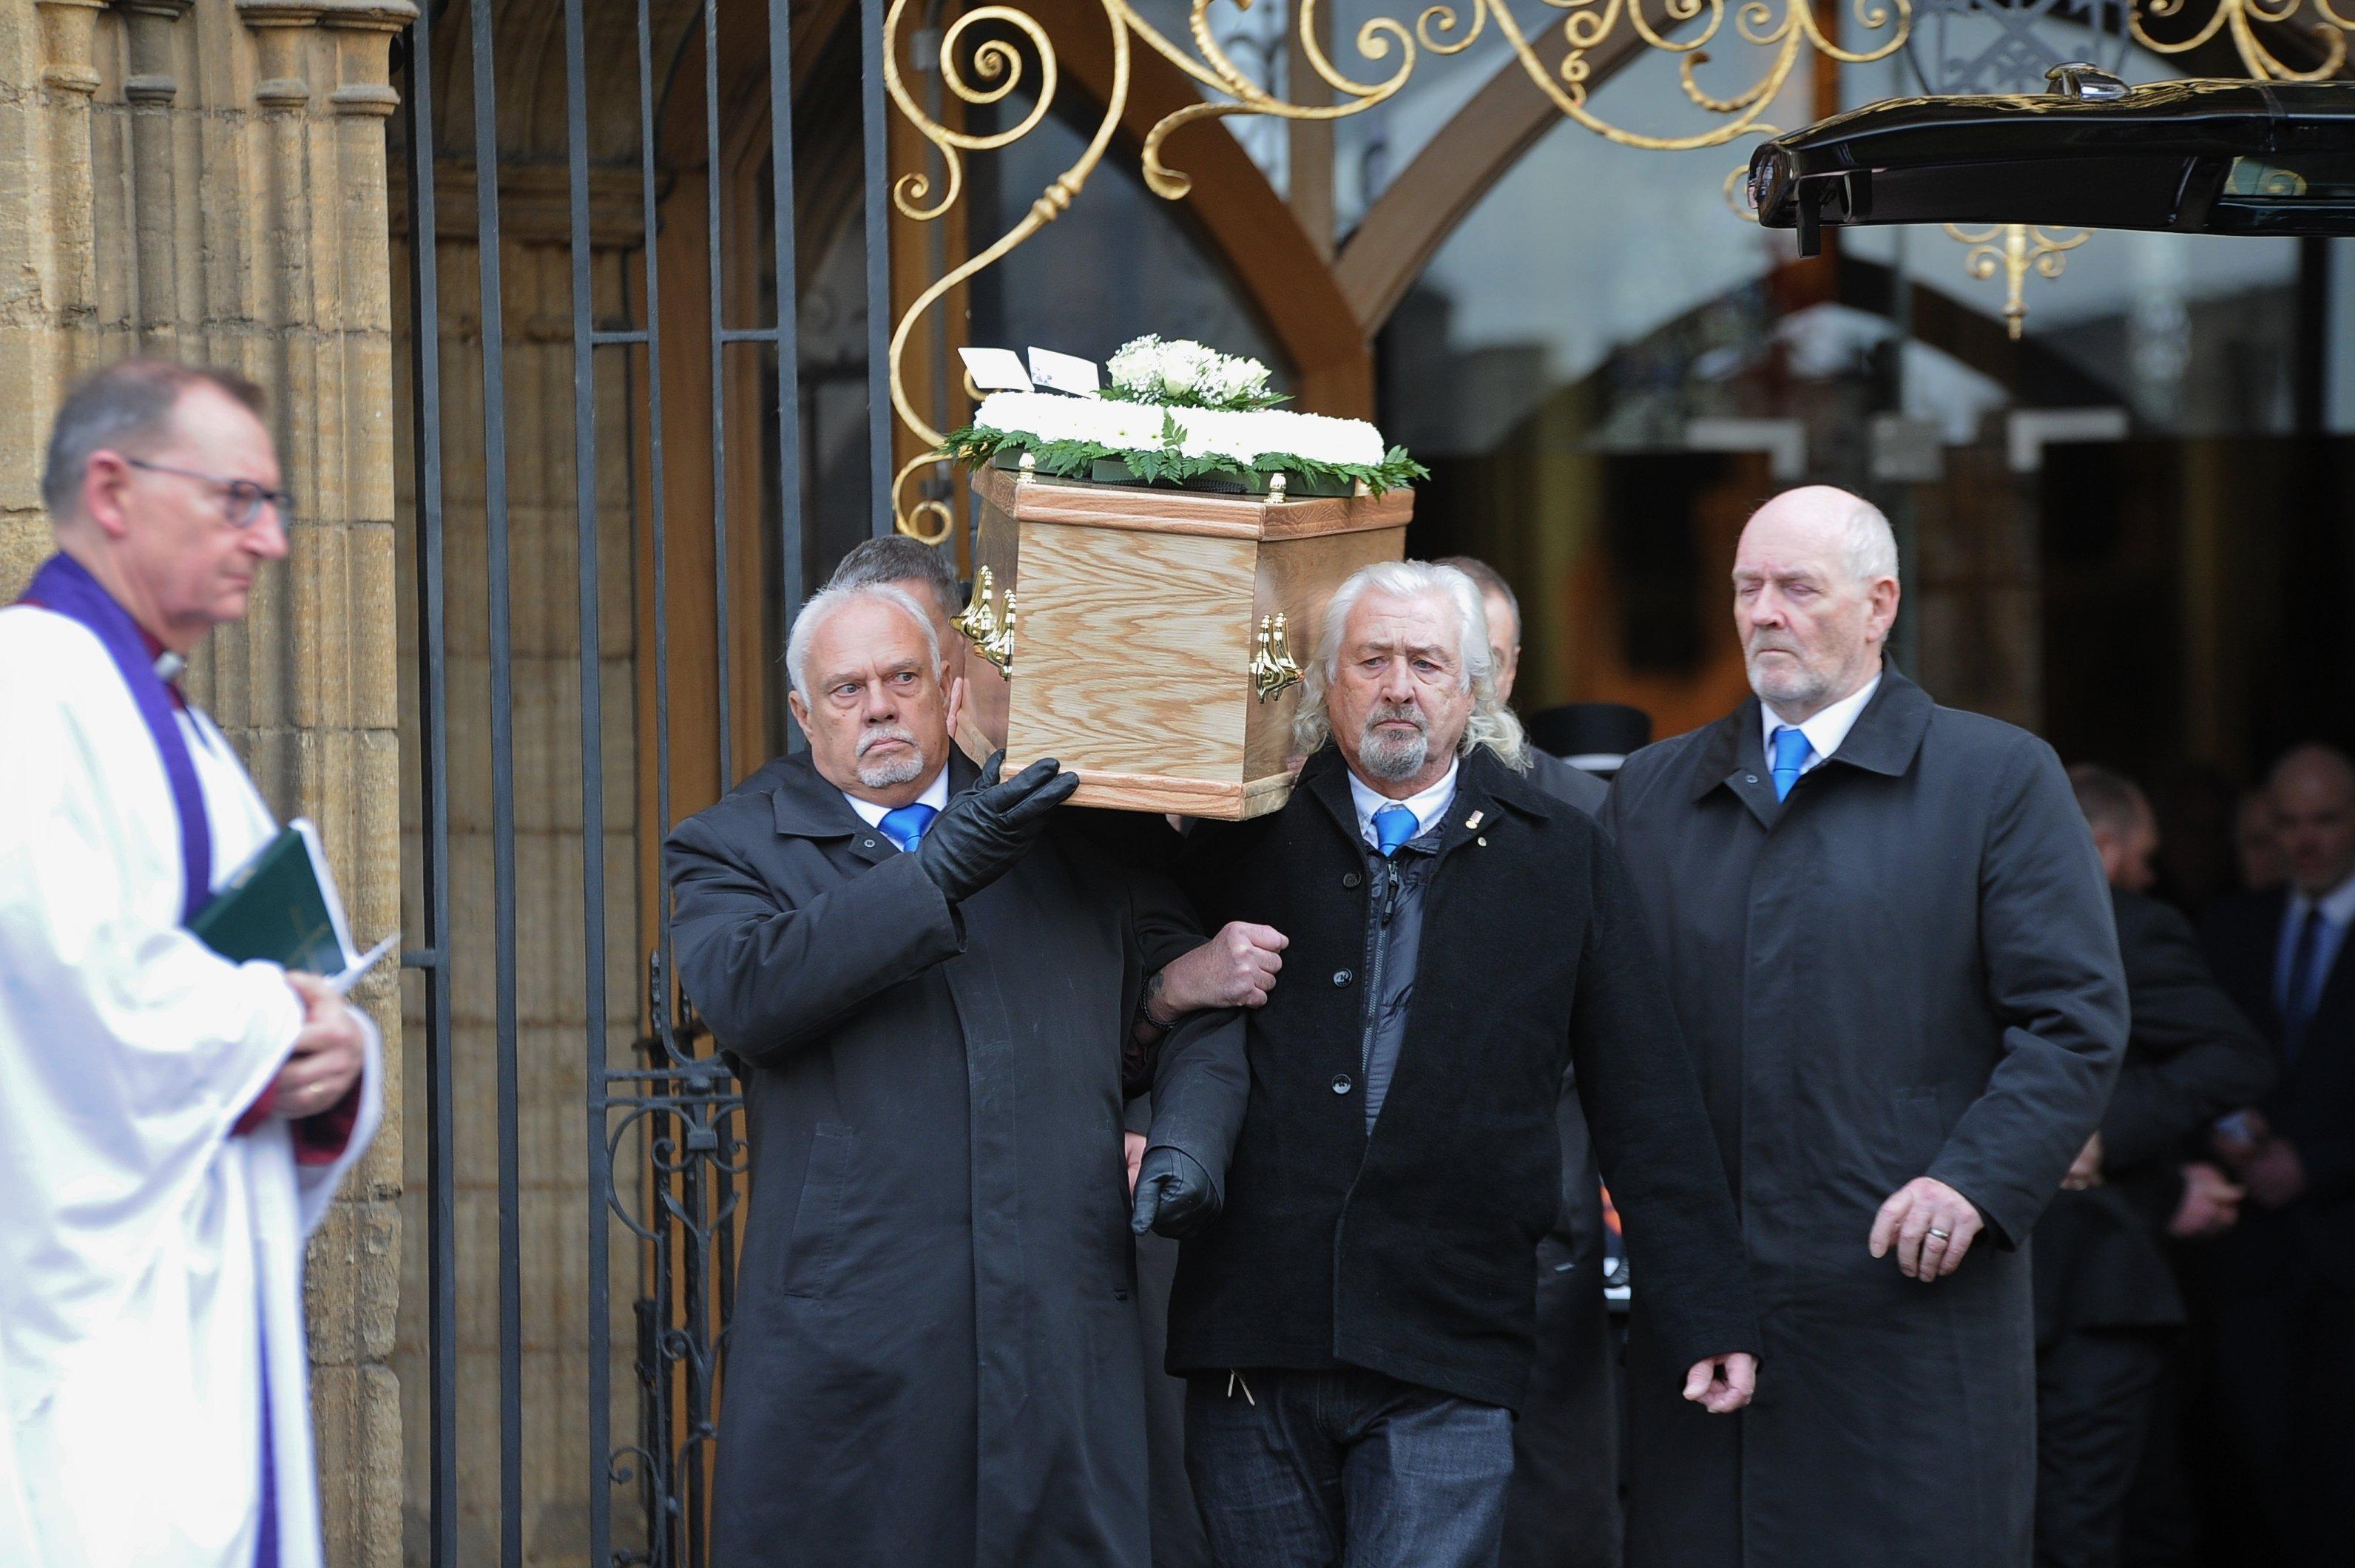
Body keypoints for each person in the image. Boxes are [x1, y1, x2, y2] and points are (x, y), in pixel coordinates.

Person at [1163, 559, 1760, 1568]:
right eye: (1373, 659)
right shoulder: (1235, 843)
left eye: (1428, 663)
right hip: (1253, 1340)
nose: (1400, 684)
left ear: (1475, 690)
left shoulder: (1561, 854)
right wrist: (1174, 983)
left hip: (1451, 1336)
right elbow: (1131, 1019)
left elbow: (1646, 1097)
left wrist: (1706, 1310)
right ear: (1326, 682)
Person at [662, 581, 1249, 1566]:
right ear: (804, 713)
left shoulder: (1078, 827)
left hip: (1063, 1336)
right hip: (861, 1346)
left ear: (951, 688)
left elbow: (1197, 993)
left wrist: (1189, 1138)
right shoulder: (732, 845)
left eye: (902, 678)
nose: (879, 707)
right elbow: (751, 995)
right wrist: (935, 872)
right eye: (846, 690)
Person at [1599, 486, 2127, 1568]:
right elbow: (1614, 1054)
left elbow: (2074, 1019)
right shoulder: (1652, 795)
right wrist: (1686, 1286)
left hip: (1913, 1327)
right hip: (1710, 1333)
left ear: (1880, 604)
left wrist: (1975, 1180)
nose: (1765, 613)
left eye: (1799, 588)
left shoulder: (1996, 779)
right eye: (1748, 588)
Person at [0, 359, 382, 1567]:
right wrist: (274, 1024)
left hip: (194, 1284)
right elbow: (58, 977)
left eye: (273, 506)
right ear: (112, 490)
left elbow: (219, 977)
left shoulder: (182, 727)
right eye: (237, 499)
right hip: (92, 1322)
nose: (268, 541)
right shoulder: (30, 685)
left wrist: (337, 1050)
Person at [2033, 766, 2272, 1568]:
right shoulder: (1935, 917)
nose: (2149, 873)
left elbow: (2233, 1054)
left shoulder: (2128, 924)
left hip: (2090, 1291)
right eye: (2143, 856)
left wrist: (2103, 1132)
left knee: (2079, 1533)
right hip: (1967, 1285)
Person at [1435, 553, 1621, 1568]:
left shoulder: (1587, 816)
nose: (1472, 685)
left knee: (1552, 1503)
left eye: (1488, 661)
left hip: (1550, 1231)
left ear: (1511, 669)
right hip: (1408, 1243)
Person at [2196, 742, 2355, 1567]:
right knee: (2256, 1473)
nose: (2305, 841)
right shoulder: (2232, 927)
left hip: (2342, 1244)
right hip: (2249, 1255)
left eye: (2324, 820)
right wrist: (2221, 1123)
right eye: (2286, 822)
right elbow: (2191, 1054)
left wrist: (2316, 1161)